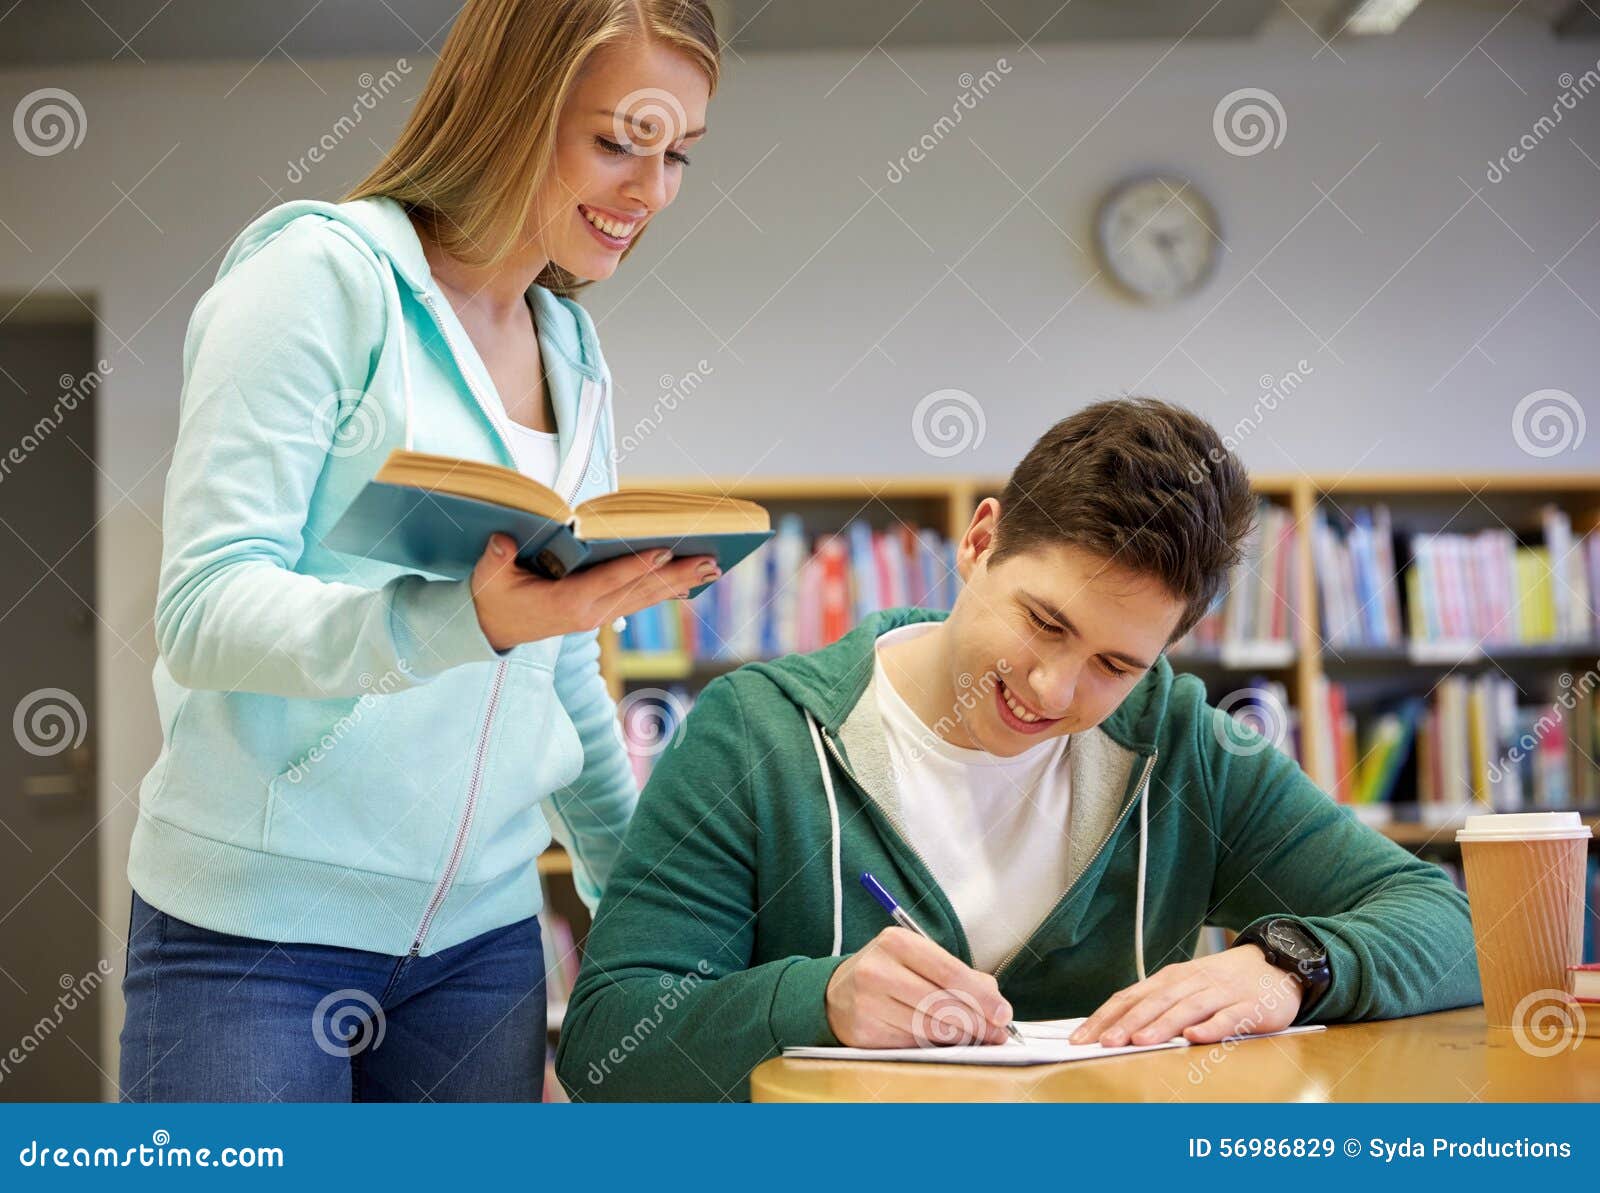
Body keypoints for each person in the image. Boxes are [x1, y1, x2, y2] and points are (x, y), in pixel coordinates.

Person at [120, 0, 720, 1102]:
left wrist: (641, 901)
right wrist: (462, 619)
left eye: (676, 153)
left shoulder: (571, 350)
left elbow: (558, 668)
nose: (652, 192)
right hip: (256, 929)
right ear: (509, 107)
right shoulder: (318, 280)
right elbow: (205, 605)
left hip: (481, 943)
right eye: (616, 143)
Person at [555, 397, 1482, 1102]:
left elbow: (1450, 925)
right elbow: (604, 1045)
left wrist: (1289, 962)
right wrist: (819, 999)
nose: (1052, 690)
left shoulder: (1182, 746)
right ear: (981, 540)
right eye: (1043, 621)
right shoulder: (755, 737)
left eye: (1115, 663)